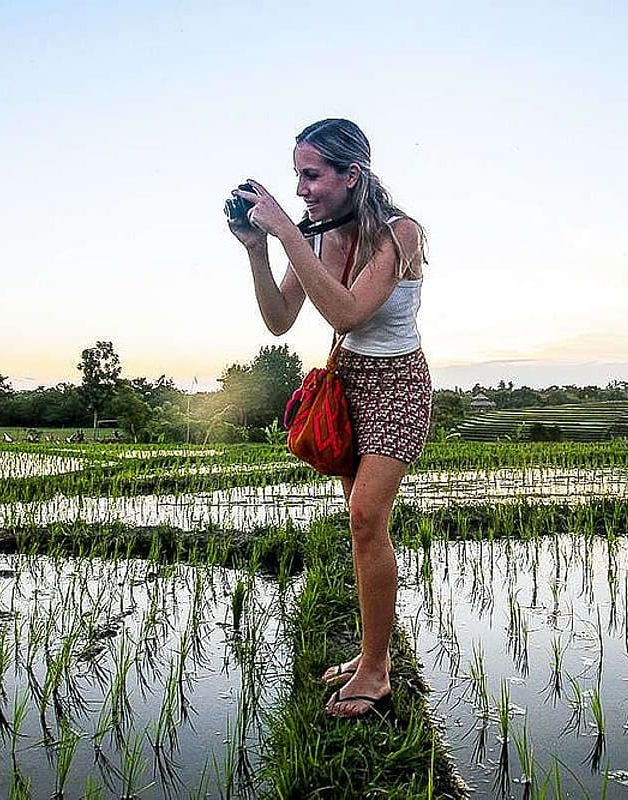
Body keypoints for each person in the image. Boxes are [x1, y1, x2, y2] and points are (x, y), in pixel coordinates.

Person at [229, 118, 432, 718]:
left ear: (352, 175)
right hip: (347, 386)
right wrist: (259, 249)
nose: (301, 190)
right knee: (360, 524)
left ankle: (376, 670)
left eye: (311, 175)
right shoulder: (314, 236)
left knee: (368, 516)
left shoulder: (401, 233)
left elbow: (346, 312)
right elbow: (278, 320)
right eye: (297, 176)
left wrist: (288, 232)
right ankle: (373, 654)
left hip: (398, 385)